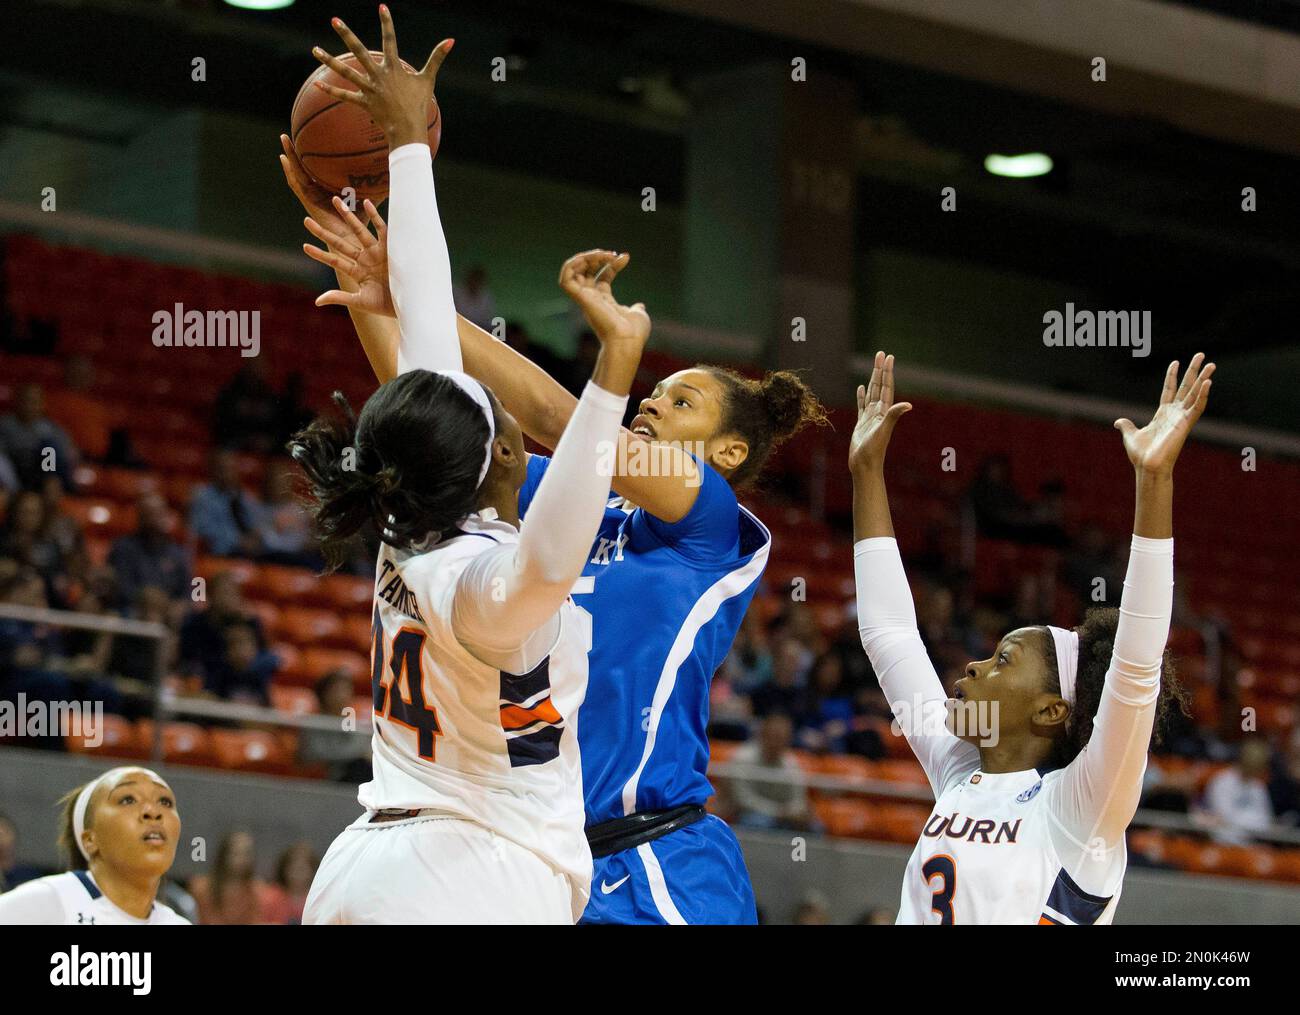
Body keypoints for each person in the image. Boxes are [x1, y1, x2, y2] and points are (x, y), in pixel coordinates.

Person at [286, 126, 826, 928]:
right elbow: (442, 427)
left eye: (681, 402)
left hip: (657, 858)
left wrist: (412, 287)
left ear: (728, 450)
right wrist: (379, 293)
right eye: (653, 389)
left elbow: (558, 416)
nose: (650, 400)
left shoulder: (712, 520)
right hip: (537, 856)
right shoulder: (563, 501)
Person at [294, 9, 646, 925]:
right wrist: (612, 374)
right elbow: (551, 557)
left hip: (368, 867)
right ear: (503, 454)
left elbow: (427, 351)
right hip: (473, 874)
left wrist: (410, 147)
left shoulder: (407, 531)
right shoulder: (475, 581)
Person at [850, 350, 1210, 924]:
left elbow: (1136, 667)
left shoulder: (1079, 806)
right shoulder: (958, 769)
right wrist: (866, 472)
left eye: (1002, 660)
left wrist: (1155, 480)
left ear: (1050, 710)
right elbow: (889, 632)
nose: (972, 667)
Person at [0, 766, 189, 924]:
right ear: (90, 840)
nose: (153, 811)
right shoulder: (48, 902)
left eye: (165, 802)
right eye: (128, 800)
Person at [189, 830, 280, 925]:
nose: (241, 859)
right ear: (224, 855)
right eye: (235, 853)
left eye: (246, 853)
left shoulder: (257, 889)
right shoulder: (201, 887)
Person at [1201, 739, 1276, 844]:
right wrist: (1254, 822)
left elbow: (1265, 820)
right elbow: (1225, 817)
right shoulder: (1222, 781)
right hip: (1223, 842)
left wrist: (1250, 823)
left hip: (1252, 844)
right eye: (1253, 761)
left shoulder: (1258, 787)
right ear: (1243, 759)